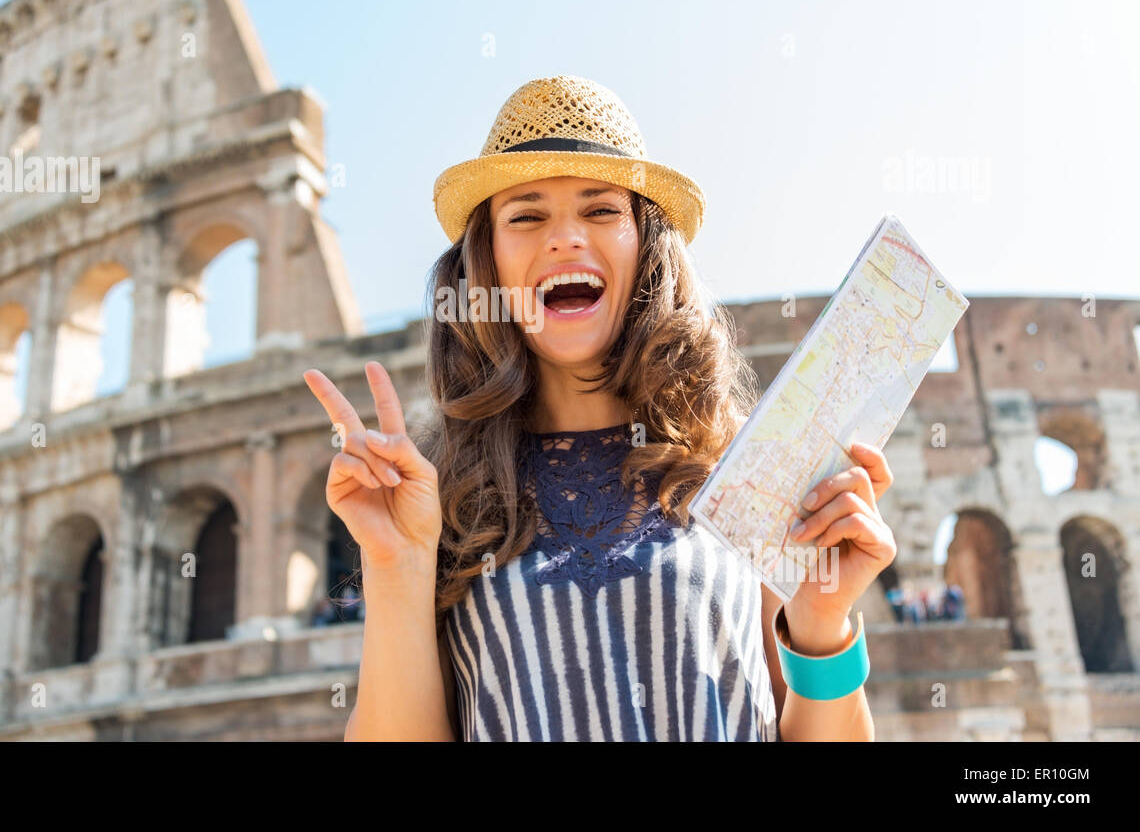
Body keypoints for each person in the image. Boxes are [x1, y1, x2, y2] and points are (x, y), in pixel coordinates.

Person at [302, 74, 898, 741]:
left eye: (601, 210)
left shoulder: (741, 464)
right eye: (526, 216)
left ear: (646, 248)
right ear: (488, 263)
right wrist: (394, 566)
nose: (564, 238)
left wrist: (822, 625)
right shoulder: (439, 500)